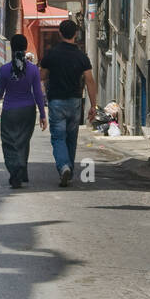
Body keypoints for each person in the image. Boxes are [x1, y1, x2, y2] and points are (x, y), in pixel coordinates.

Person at [39, 19, 97, 187]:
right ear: (76, 34)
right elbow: (90, 80)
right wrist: (93, 106)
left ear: (60, 33)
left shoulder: (52, 53)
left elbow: (42, 76)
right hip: (75, 102)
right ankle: (68, 169)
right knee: (71, 138)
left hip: (56, 101)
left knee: (58, 138)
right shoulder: (81, 56)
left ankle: (64, 166)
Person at [0, 34, 46, 187]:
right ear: (26, 49)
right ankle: (22, 171)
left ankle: (15, 171)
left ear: (11, 48)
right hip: (28, 110)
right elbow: (38, 93)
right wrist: (43, 115)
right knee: (23, 142)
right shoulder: (33, 70)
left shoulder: (4, 70)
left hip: (10, 111)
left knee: (9, 142)